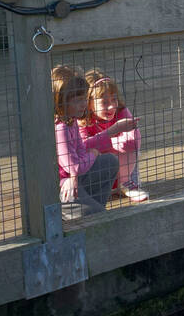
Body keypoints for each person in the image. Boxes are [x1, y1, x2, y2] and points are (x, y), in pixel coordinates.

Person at [53, 65, 132, 216]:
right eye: (77, 101)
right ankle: (71, 211)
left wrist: (74, 175)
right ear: (60, 102)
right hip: (62, 187)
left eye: (84, 99)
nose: (83, 105)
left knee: (110, 161)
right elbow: (75, 166)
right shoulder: (61, 128)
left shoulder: (71, 120)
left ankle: (92, 208)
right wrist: (94, 154)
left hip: (74, 179)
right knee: (99, 216)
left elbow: (80, 151)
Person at [82, 69, 149, 202]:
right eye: (104, 102)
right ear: (89, 103)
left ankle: (126, 183)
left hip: (124, 168)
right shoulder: (82, 120)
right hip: (99, 168)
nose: (112, 106)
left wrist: (108, 144)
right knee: (92, 152)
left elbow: (133, 142)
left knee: (129, 149)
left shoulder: (122, 111)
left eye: (114, 99)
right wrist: (113, 135)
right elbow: (82, 146)